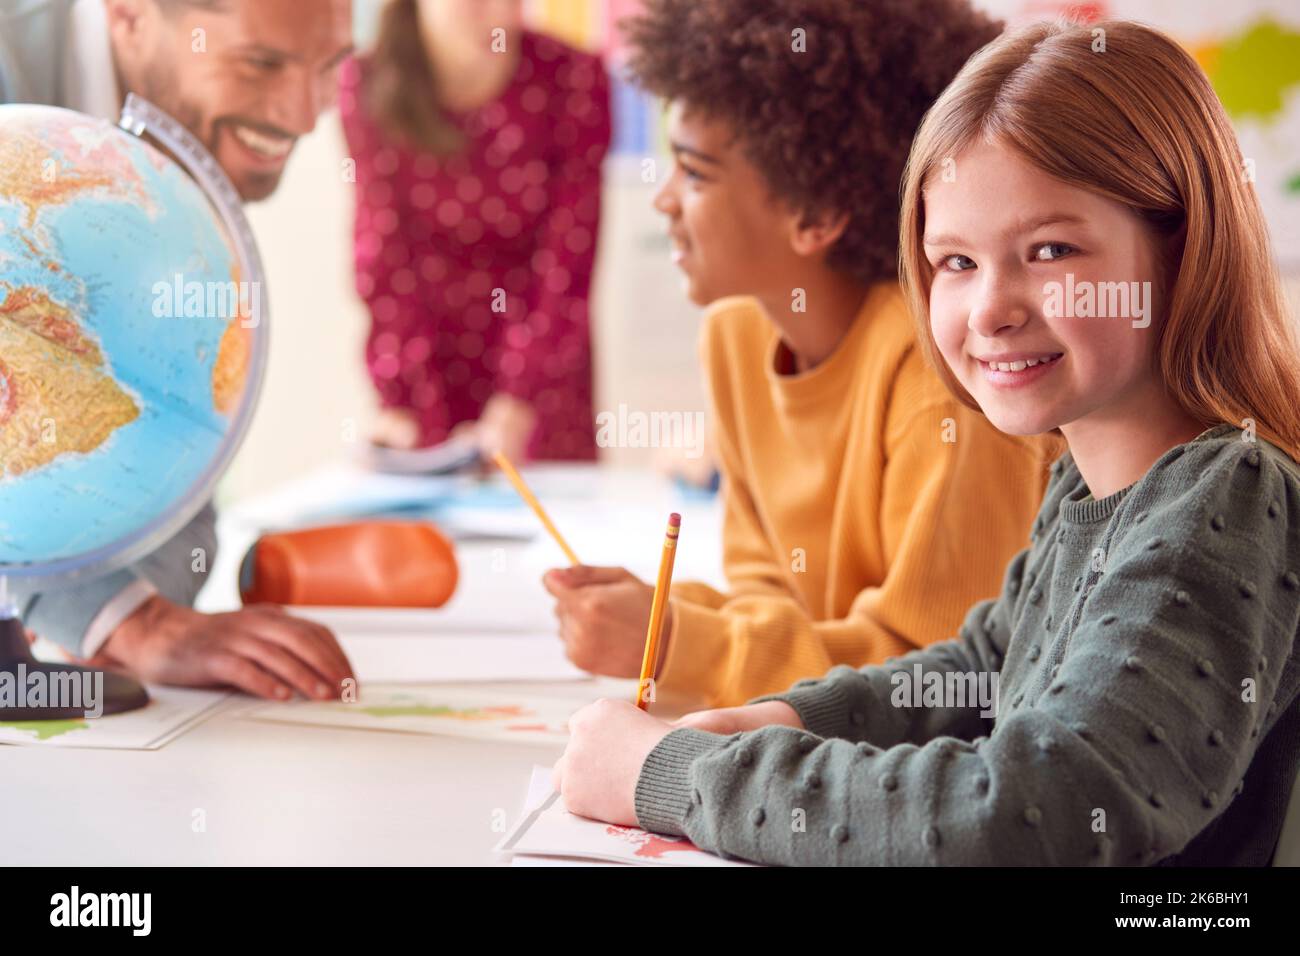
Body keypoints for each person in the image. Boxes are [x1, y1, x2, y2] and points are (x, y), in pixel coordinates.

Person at [551, 18, 1300, 866]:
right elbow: (984, 668)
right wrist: (793, 716)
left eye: (1050, 250)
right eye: (955, 262)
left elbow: (1034, 811)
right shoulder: (1089, 481)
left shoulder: (1227, 496)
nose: (989, 310)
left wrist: (675, 774)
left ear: (1182, 249)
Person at [543, 0, 1052, 708]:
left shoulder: (946, 374)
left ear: (815, 214)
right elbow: (772, 604)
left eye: (694, 173)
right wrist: (663, 615)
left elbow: (935, 676)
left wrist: (676, 644)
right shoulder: (736, 338)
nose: (664, 200)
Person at [0, 0, 356, 700]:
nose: (305, 114)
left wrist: (149, 622)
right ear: (129, 13)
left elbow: (155, 413)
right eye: (261, 63)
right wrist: (123, 620)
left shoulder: (178, 143)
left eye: (330, 69)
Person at [339, 0, 611, 463]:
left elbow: (567, 263)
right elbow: (382, 255)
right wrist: (402, 399)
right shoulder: (367, 83)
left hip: (545, 372)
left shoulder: (574, 78)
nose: (502, 15)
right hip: (428, 365)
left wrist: (520, 398)